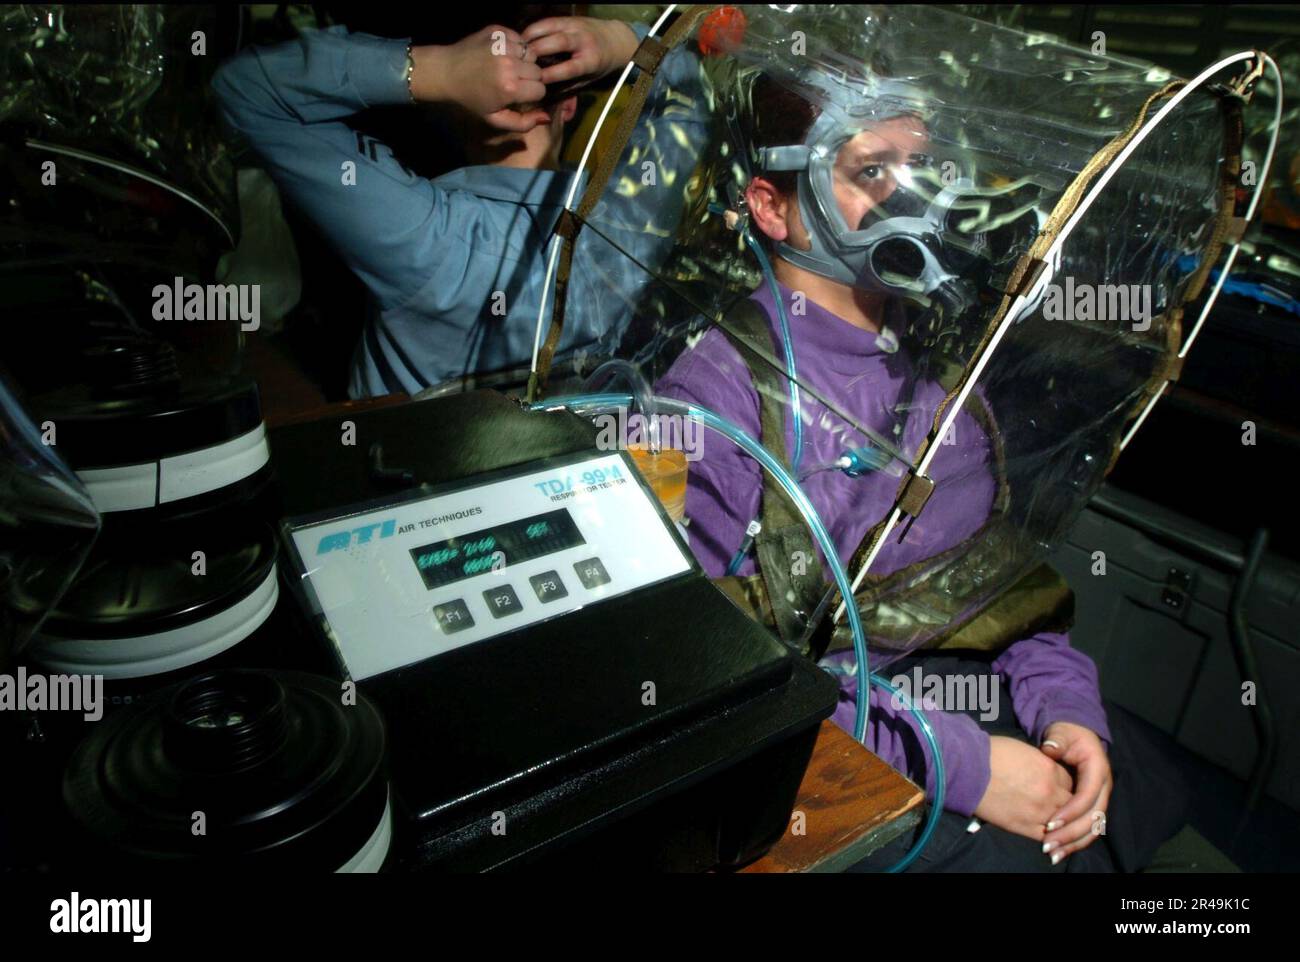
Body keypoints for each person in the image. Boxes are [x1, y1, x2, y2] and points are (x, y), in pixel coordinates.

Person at [655, 71, 1190, 871]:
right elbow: (716, 679)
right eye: (873, 172)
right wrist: (965, 766)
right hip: (832, 727)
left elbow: (995, 587)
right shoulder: (712, 401)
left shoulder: (943, 372)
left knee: (1139, 786)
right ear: (773, 208)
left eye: (921, 169)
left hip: (961, 682)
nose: (917, 200)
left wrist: (1068, 713)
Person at [212, 14, 705, 398]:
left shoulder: (432, 236)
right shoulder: (629, 223)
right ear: (569, 105)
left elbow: (244, 92)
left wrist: (435, 69)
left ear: (457, 105)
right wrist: (625, 43)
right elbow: (692, 95)